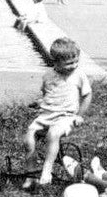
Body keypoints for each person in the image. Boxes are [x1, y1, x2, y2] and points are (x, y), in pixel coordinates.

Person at [22, 37, 92, 187]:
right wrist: (40, 103)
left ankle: (46, 171)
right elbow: (47, 94)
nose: (73, 66)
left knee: (53, 134)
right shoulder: (48, 75)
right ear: (56, 62)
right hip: (46, 115)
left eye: (75, 62)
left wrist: (78, 115)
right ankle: (31, 175)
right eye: (68, 64)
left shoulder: (78, 75)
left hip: (66, 116)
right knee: (28, 140)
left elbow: (87, 95)